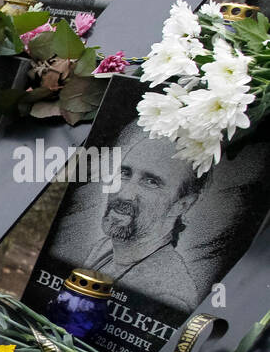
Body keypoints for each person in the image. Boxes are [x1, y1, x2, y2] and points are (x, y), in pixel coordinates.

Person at [83, 129, 204, 311]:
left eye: (151, 182)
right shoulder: (104, 248)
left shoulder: (169, 297)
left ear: (183, 204)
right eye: (125, 173)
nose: (124, 194)